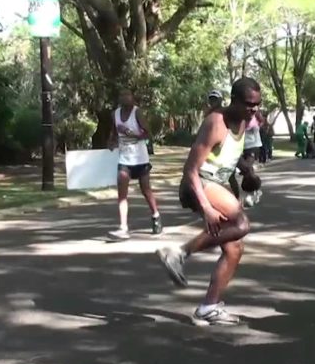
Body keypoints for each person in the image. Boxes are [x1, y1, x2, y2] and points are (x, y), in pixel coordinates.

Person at [155, 77, 262, 326]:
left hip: (215, 184)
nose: (254, 109)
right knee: (242, 224)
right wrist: (206, 208)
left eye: (257, 104)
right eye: (249, 104)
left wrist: (247, 170)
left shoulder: (244, 121)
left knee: (234, 249)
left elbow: (227, 154)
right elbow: (190, 169)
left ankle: (208, 307)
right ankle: (179, 253)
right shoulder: (215, 122)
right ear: (234, 100)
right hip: (196, 184)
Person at [107, 88, 162, 241]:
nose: (125, 97)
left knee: (146, 190)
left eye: (127, 95)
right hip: (124, 159)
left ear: (132, 97)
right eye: (122, 95)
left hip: (140, 159)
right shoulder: (115, 114)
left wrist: (132, 133)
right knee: (122, 194)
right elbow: (114, 133)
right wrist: (111, 142)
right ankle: (123, 227)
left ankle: (156, 215)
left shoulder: (137, 113)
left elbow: (148, 134)